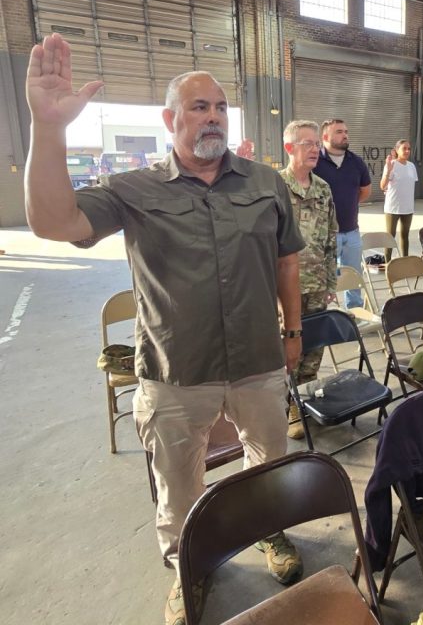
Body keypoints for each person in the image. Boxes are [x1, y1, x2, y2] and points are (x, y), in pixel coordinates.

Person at [24, 34, 306, 625]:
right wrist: (48, 129)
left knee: (268, 461)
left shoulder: (265, 183)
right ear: (170, 118)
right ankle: (188, 567)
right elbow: (53, 222)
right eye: (199, 106)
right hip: (177, 370)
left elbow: (287, 261)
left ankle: (269, 529)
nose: (213, 116)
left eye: (221, 106)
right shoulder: (133, 189)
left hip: (257, 361)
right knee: (179, 484)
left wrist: (292, 331)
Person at [279, 120, 337, 440]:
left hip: (316, 283)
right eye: (308, 144)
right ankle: (287, 405)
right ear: (290, 148)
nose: (315, 149)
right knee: (287, 349)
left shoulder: (323, 189)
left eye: (317, 143)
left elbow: (331, 237)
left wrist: (330, 283)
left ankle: (303, 401)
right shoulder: (275, 186)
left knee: (314, 347)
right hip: (284, 287)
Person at [314, 118, 371, 308]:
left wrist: (347, 203)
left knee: (354, 275)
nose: (345, 135)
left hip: (352, 232)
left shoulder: (356, 162)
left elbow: (365, 191)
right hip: (324, 234)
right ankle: (322, 313)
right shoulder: (315, 161)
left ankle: (355, 312)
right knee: (323, 278)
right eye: (339, 132)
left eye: (346, 131)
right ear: (325, 137)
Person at [380, 138, 418, 261]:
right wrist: (388, 171)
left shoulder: (411, 166)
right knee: (390, 236)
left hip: (408, 207)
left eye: (409, 149)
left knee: (405, 235)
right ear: (397, 150)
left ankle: (404, 261)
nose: (407, 151)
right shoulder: (392, 165)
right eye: (404, 148)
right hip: (393, 207)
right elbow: (383, 186)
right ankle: (387, 262)